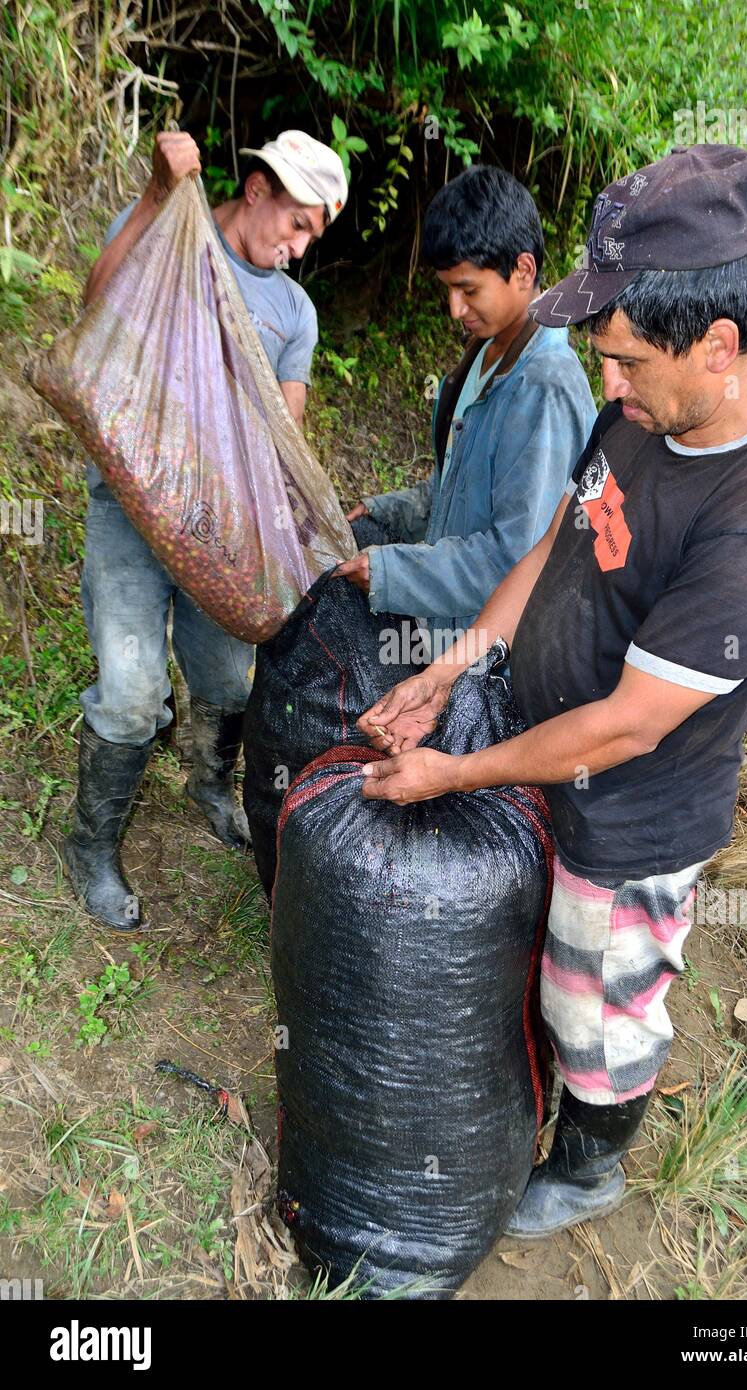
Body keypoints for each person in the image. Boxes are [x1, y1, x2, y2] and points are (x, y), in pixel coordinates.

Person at [354, 145, 747, 1237]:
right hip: (545, 742)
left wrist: (455, 768)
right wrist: (453, 665)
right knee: (538, 952)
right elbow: (555, 538)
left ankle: (590, 1165)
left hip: (631, 809)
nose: (605, 387)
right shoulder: (647, 403)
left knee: (598, 999)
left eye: (622, 362)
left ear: (717, 346)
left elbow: (628, 724)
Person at [64, 128, 347, 931]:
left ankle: (209, 784)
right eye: (297, 224)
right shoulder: (171, 229)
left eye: (311, 238)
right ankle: (90, 845)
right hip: (132, 501)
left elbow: (282, 435)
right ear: (258, 188)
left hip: (217, 529)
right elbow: (97, 307)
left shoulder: (294, 312)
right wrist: (156, 193)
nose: (297, 249)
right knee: (129, 694)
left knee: (227, 685)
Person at [337, 165, 596, 655]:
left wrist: (392, 572)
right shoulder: (486, 351)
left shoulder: (543, 388)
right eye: (448, 289)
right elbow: (456, 487)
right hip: (446, 639)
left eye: (469, 289)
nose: (454, 309)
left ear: (523, 270)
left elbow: (516, 559)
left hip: (493, 662)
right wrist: (387, 513)